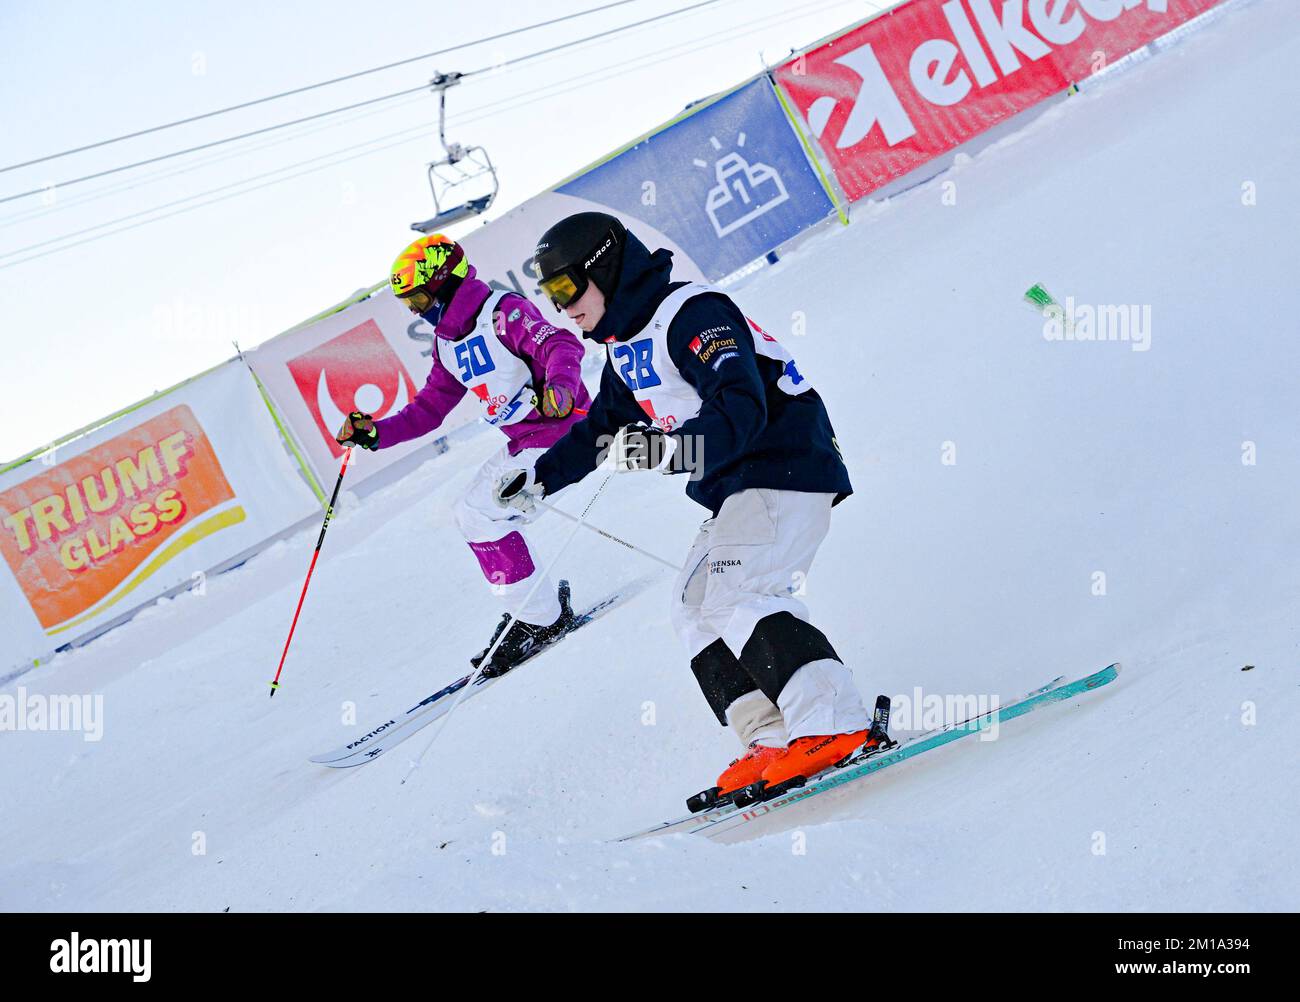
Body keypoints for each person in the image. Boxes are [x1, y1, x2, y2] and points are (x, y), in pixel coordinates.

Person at [494, 211, 877, 800]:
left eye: (567, 287)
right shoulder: (626, 348)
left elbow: (742, 409)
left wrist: (671, 448)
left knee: (740, 591)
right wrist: (538, 480)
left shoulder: (693, 314)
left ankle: (833, 724)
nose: (562, 306)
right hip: (741, 489)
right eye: (550, 296)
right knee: (694, 606)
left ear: (606, 267)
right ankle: (769, 739)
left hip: (784, 466)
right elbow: (600, 429)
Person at [335, 234, 591, 675]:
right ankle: (537, 613)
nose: (415, 311)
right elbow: (430, 410)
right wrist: (375, 434)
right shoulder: (448, 345)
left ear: (443, 282)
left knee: (481, 514)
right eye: (407, 303)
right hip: (525, 443)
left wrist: (561, 388)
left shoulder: (502, 313)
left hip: (564, 434)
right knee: (467, 514)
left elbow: (561, 346)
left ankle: (540, 619)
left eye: (416, 297)